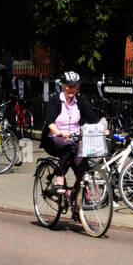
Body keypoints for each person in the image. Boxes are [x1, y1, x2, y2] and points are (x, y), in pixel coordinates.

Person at [40, 72, 98, 212]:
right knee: (68, 146)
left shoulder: (80, 101)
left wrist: (103, 128)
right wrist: (59, 132)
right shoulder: (55, 101)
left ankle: (76, 206)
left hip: (74, 140)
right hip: (54, 139)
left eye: (75, 86)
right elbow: (49, 121)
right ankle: (59, 179)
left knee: (81, 168)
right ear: (63, 86)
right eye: (69, 86)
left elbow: (92, 117)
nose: (72, 89)